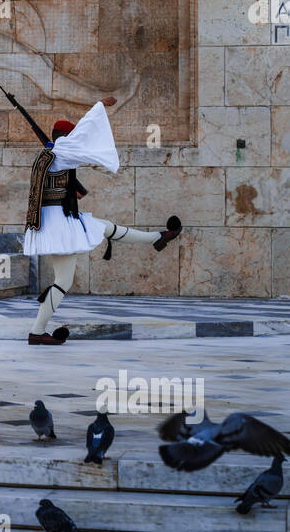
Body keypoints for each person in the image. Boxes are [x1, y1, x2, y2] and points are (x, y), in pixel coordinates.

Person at [24, 95, 181, 345]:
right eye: (72, 137)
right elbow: (85, 130)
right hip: (59, 225)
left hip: (56, 220)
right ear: (66, 137)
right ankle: (37, 331)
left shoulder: (48, 154)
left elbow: (59, 184)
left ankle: (157, 238)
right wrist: (98, 105)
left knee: (104, 227)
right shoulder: (62, 151)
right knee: (63, 281)